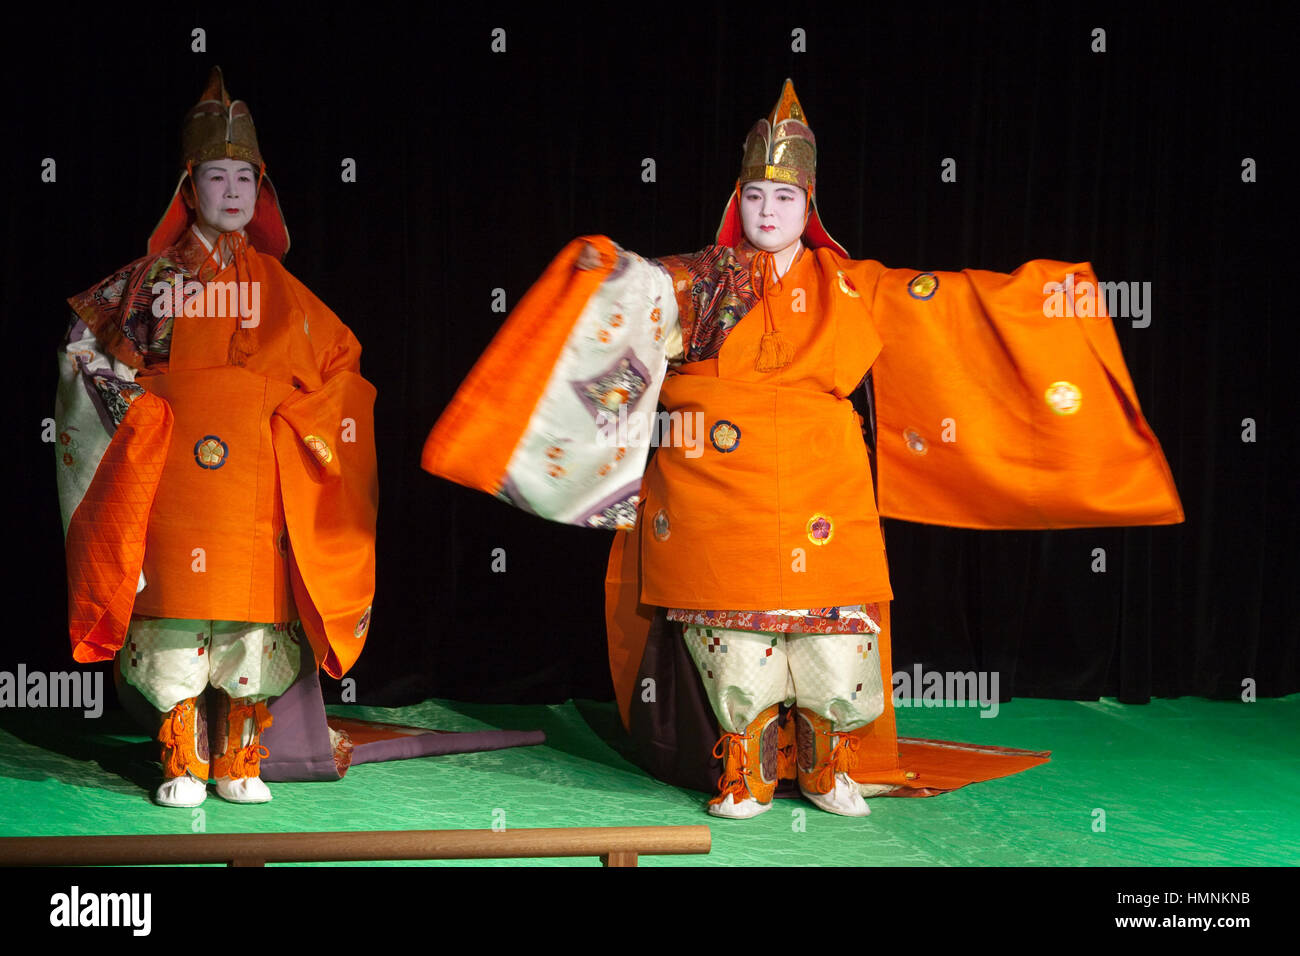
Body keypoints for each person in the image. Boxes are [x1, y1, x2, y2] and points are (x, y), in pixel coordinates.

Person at [423, 80, 1182, 818]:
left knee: (836, 642)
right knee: (733, 639)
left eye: (783, 197)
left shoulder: (852, 284)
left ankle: (827, 769)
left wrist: (1045, 302)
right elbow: (631, 298)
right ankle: (744, 773)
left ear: (808, 207)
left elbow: (946, 304)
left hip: (824, 482)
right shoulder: (693, 280)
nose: (767, 210)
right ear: (735, 202)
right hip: (715, 479)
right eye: (754, 196)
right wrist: (600, 268)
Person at [57, 68, 378, 807]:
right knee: (175, 619)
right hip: (173, 477)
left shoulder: (287, 294)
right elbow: (83, 355)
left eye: (244, 178)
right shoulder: (148, 285)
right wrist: (135, 415)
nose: (231, 192)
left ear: (261, 193)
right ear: (188, 188)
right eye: (216, 177)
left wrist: (308, 429)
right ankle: (178, 753)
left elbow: (343, 371)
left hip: (257, 485)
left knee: (251, 624)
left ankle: (240, 754)